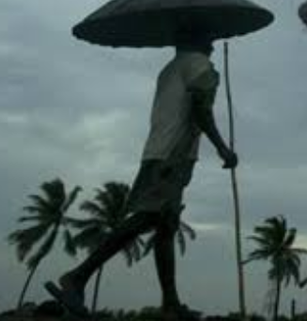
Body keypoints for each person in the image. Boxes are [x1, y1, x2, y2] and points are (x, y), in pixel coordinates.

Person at [45, 30, 238, 321]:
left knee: (165, 226)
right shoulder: (198, 64)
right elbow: (201, 111)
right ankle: (78, 276)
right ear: (194, 40)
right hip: (172, 157)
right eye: (207, 38)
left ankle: (171, 303)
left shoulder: (170, 68)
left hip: (160, 153)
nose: (211, 44)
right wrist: (223, 148)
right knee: (149, 217)